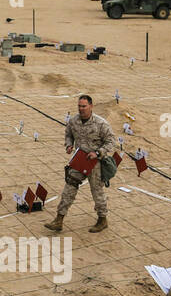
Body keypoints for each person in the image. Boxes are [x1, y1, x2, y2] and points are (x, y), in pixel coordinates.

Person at [45, 94, 117, 233]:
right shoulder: (73, 121)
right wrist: (68, 145)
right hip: (79, 160)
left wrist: (97, 153)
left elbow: (111, 142)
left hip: (95, 163)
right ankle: (59, 220)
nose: (81, 109)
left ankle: (102, 219)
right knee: (69, 188)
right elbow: (68, 134)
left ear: (91, 106)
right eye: (79, 106)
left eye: (84, 106)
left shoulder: (101, 123)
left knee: (97, 192)